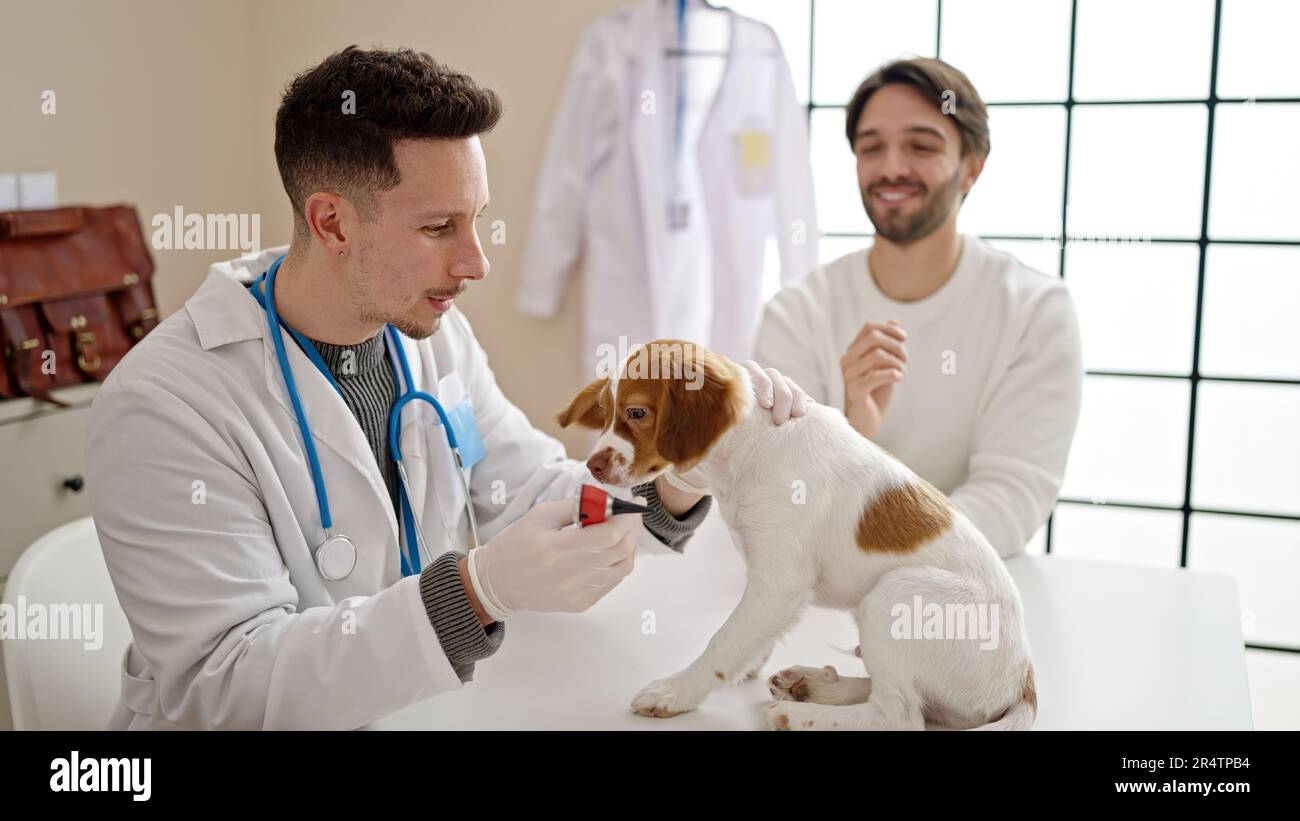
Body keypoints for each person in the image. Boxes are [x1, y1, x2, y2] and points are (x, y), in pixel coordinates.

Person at [84, 46, 808, 730]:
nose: (475, 262)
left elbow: (523, 487)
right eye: (439, 227)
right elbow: (225, 684)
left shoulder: (427, 333)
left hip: (416, 709)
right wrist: (474, 593)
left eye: (477, 222)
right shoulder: (164, 403)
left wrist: (680, 464)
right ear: (331, 220)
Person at [755, 57, 1083, 559]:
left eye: (921, 146)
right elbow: (779, 496)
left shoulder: (1035, 311)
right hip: (816, 598)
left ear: (971, 167)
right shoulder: (797, 313)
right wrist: (849, 428)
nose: (891, 168)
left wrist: (892, 574)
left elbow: (1011, 495)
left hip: (964, 596)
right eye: (871, 148)